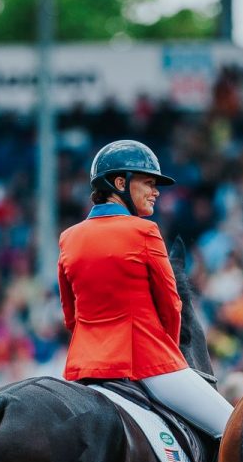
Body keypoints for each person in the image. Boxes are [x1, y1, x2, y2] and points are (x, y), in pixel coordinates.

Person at [58, 140, 233, 439]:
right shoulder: (145, 231)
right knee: (234, 430)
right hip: (146, 361)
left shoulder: (68, 238)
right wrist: (169, 349)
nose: (156, 192)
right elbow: (171, 305)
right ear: (119, 182)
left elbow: (70, 315)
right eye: (149, 183)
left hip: (84, 368)